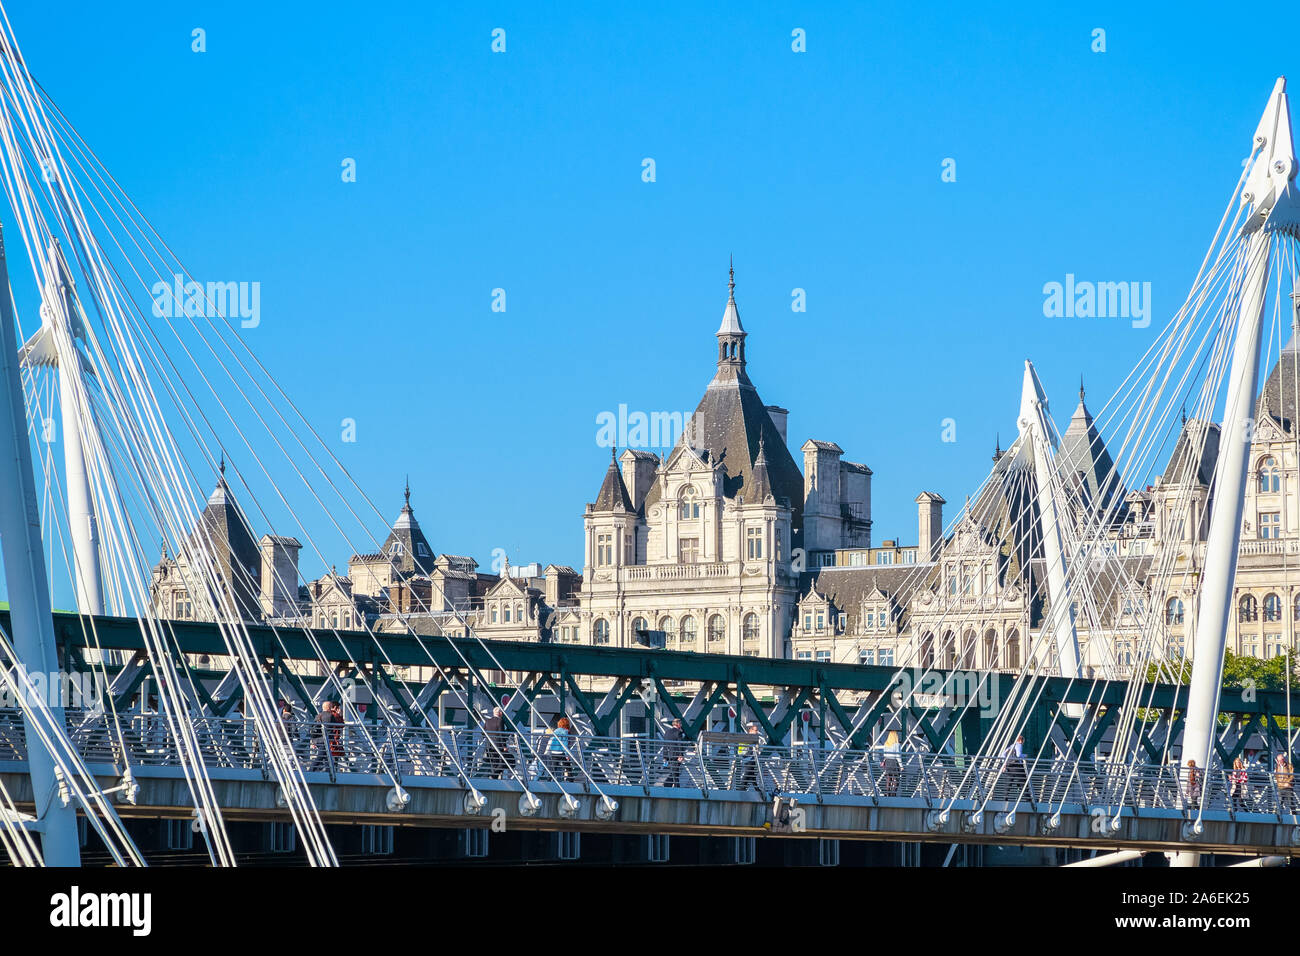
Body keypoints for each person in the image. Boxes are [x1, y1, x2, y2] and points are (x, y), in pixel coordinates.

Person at [660, 718, 687, 787]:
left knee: (672, 771)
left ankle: (671, 786)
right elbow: (680, 744)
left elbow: (665, 745)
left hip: (668, 755)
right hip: (676, 756)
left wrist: (664, 757)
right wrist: (681, 755)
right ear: (678, 724)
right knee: (675, 772)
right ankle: (674, 786)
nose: (681, 725)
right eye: (680, 724)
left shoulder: (667, 732)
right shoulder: (678, 732)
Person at [480, 706, 506, 778]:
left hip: (489, 746)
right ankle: (494, 776)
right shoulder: (500, 721)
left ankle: (493, 777)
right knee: (502, 763)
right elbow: (501, 734)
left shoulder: (488, 721)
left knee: (493, 763)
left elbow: (483, 733)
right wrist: (504, 745)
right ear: (500, 713)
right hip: (498, 745)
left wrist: (489, 738)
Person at [736, 721, 761, 791]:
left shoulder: (752, 738)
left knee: (751, 774)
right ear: (750, 730)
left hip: (750, 759)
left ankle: (754, 788)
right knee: (748, 774)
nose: (756, 732)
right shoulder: (746, 738)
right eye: (755, 730)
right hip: (748, 759)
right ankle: (742, 788)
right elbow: (741, 751)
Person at [547, 716, 574, 782]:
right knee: (568, 766)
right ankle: (571, 779)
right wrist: (567, 754)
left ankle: (548, 779)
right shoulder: (565, 732)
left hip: (553, 751)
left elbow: (552, 740)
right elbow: (565, 744)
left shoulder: (556, 731)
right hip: (561, 752)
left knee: (553, 767)